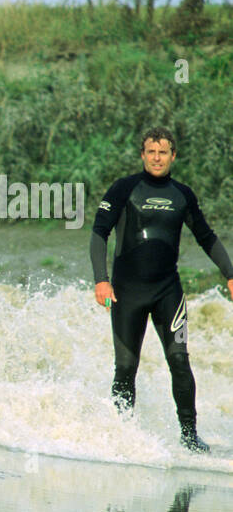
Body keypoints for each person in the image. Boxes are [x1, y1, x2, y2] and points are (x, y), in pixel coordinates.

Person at [90, 127, 233, 451]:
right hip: (126, 293)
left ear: (173, 156)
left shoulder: (182, 195)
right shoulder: (124, 188)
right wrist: (101, 279)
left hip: (168, 291)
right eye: (151, 152)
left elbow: (206, 237)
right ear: (143, 154)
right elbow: (99, 233)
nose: (157, 158)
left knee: (179, 361)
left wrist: (230, 273)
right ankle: (122, 437)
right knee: (126, 367)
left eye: (163, 152)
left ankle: (189, 437)